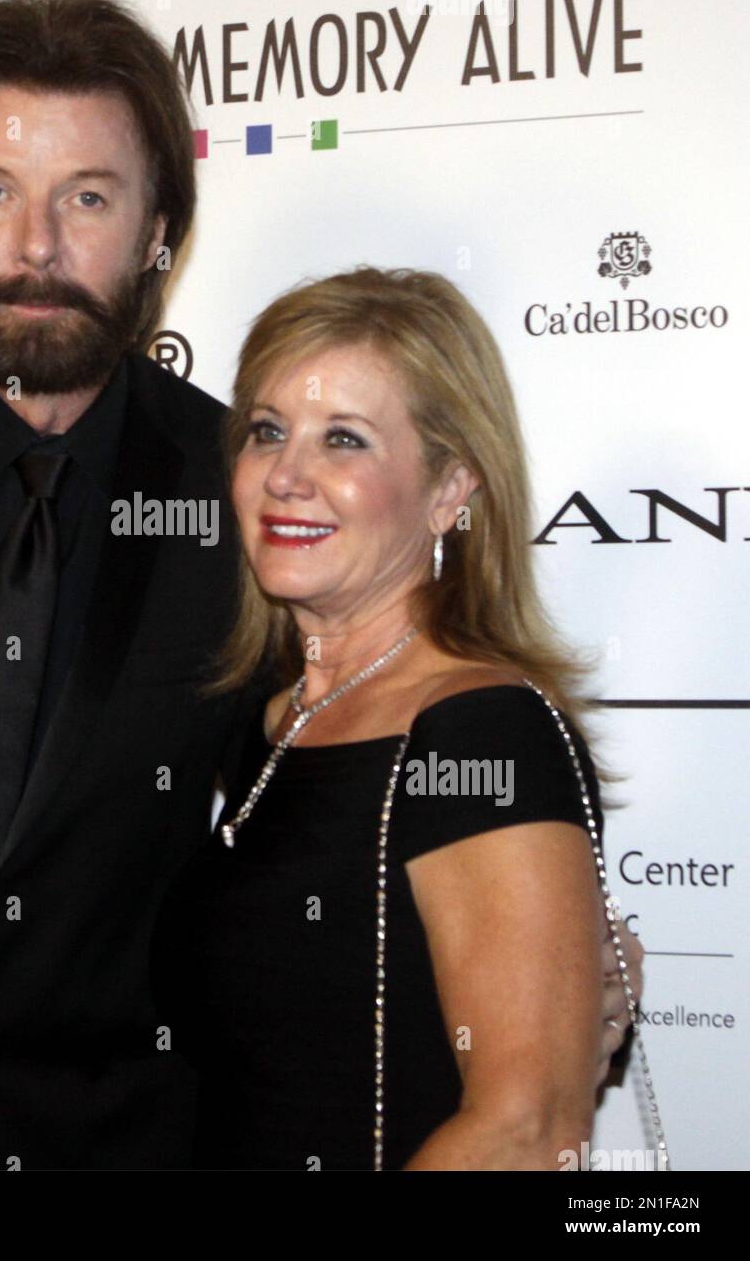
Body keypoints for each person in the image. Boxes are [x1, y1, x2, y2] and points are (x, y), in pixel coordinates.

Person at [0, 0, 641, 1171]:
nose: (36, 247)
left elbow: (317, 822)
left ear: (158, 228)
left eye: (87, 197)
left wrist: (552, 987)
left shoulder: (245, 498)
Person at [151, 265, 632, 1170]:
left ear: (450, 487)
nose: (287, 476)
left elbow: (523, 1130)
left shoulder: (482, 732)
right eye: (266, 431)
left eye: (343, 439)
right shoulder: (268, 723)